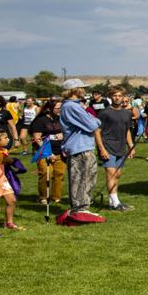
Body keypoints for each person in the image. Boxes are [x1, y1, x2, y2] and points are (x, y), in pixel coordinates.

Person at [59, 88, 104, 222]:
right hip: (79, 148)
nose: (84, 91)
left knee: (88, 177)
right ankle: (80, 207)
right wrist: (93, 120)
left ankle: (83, 206)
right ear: (75, 90)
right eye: (82, 88)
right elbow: (93, 125)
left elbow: (95, 123)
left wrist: (93, 120)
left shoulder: (74, 105)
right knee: (81, 178)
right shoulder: (71, 106)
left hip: (83, 146)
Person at [96, 89, 136, 211]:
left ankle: (111, 202)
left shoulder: (127, 113)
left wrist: (131, 146)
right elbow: (97, 132)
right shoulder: (104, 113)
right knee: (110, 173)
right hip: (107, 146)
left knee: (117, 174)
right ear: (110, 97)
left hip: (121, 147)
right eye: (115, 95)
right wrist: (101, 149)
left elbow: (127, 130)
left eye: (120, 95)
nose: (117, 98)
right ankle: (117, 203)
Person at [28, 99, 67, 205]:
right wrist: (48, 153)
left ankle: (56, 197)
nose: (60, 110)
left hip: (59, 151)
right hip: (43, 151)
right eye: (58, 108)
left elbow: (66, 132)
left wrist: (63, 136)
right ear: (50, 109)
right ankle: (43, 197)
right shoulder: (40, 120)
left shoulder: (61, 119)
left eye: (61, 108)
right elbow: (37, 138)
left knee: (59, 174)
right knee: (46, 173)